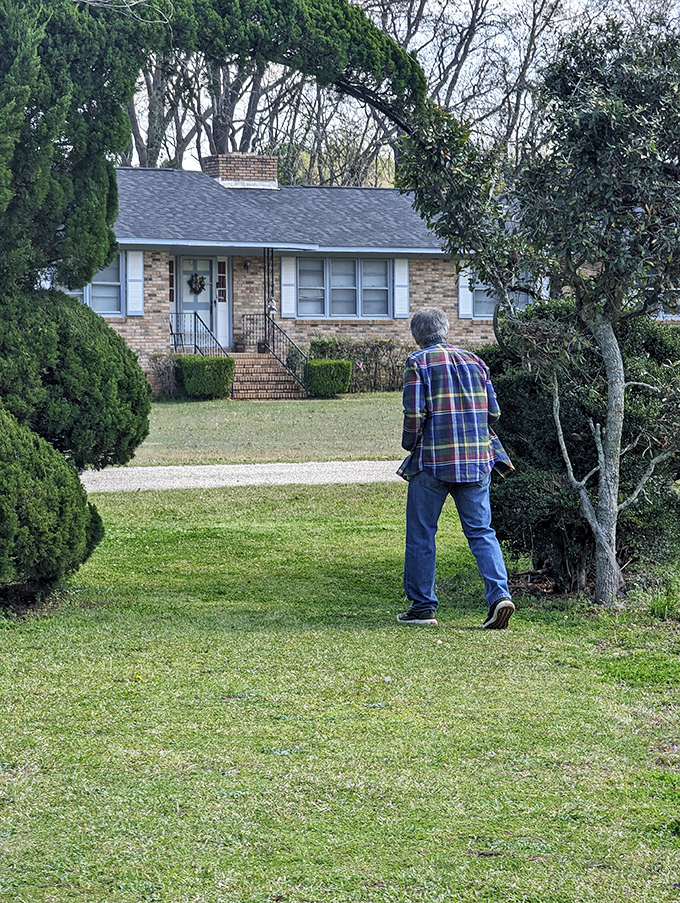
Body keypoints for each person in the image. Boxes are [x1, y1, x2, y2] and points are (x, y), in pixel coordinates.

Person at [397, 306, 515, 629]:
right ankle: (499, 596)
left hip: (432, 462)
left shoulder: (417, 363)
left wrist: (409, 443)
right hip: (477, 461)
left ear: (417, 336)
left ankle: (422, 608)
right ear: (446, 330)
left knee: (422, 533)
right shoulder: (476, 361)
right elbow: (494, 413)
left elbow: (414, 416)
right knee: (481, 532)